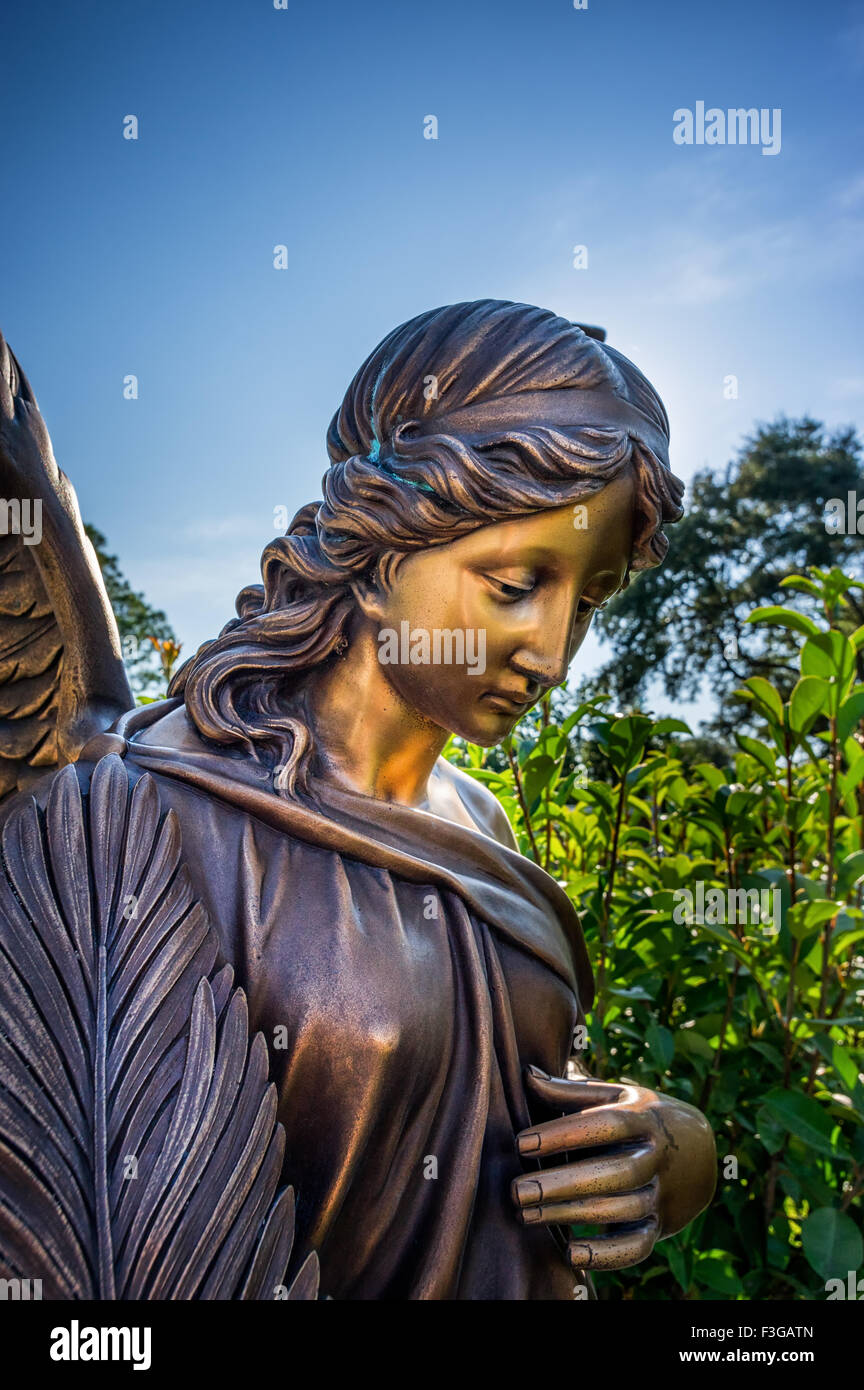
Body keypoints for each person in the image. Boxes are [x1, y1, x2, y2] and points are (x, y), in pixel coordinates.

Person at [0, 300, 716, 1299]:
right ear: (380, 554)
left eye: (587, 602)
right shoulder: (161, 816)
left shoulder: (483, 827)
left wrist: (673, 1150)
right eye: (515, 582)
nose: (552, 654)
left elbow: (547, 1126)